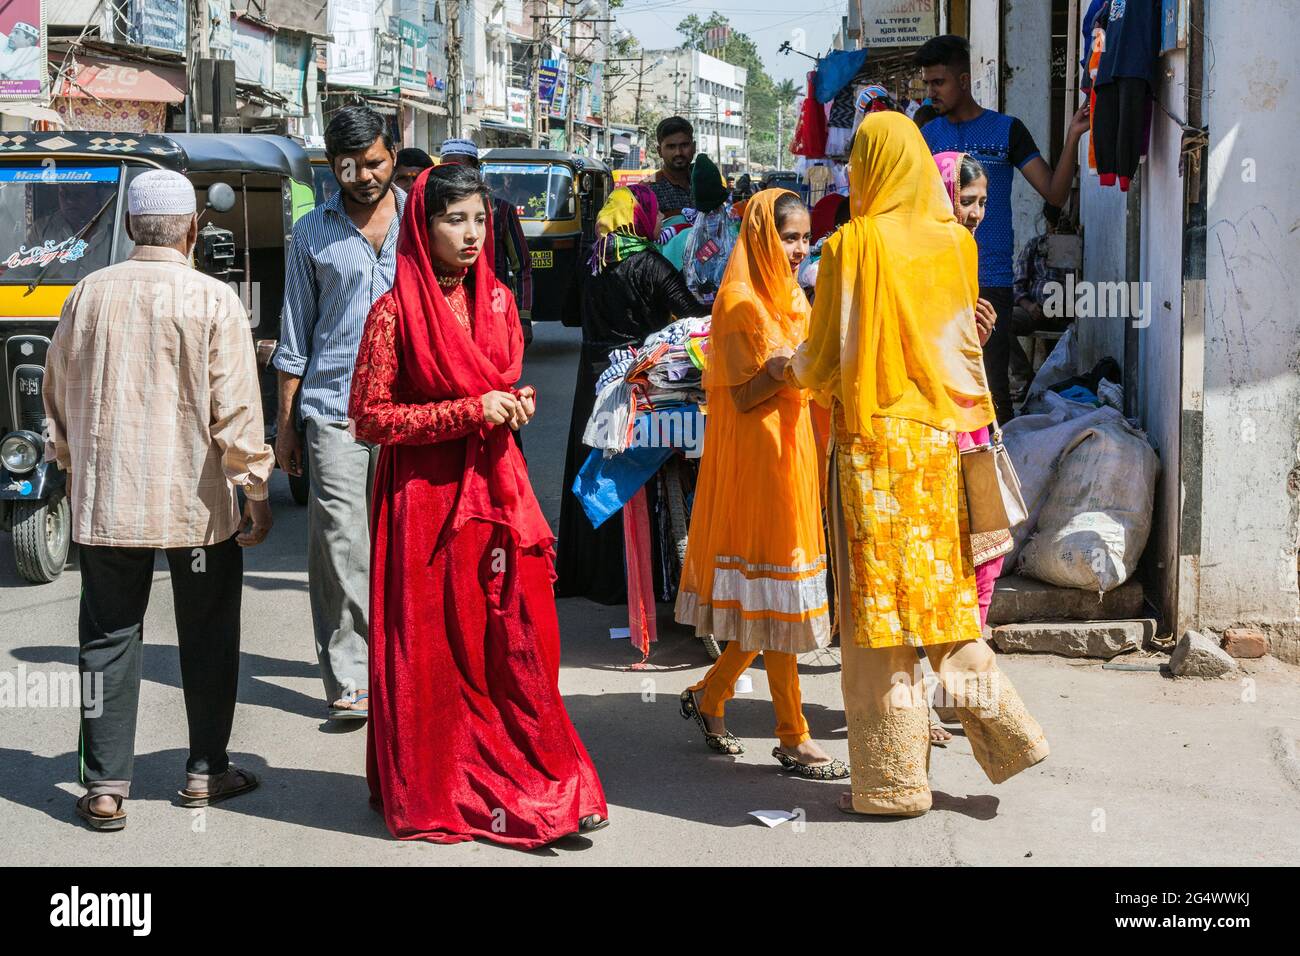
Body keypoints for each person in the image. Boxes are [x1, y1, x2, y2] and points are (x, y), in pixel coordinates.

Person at [788, 112, 1049, 817]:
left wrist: (795, 371)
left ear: (869, 170)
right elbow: (960, 348)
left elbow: (822, 355)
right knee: (940, 600)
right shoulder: (957, 248)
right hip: (937, 448)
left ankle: (892, 784)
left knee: (878, 620)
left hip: (871, 450)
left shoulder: (850, 247)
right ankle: (1010, 732)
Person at [350, 163, 608, 847]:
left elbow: (498, 381)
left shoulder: (495, 298)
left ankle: (546, 781)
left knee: (517, 633)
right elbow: (371, 418)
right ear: (422, 226)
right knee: (436, 647)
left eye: (478, 219)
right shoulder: (394, 311)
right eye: (453, 219)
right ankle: (441, 785)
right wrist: (467, 411)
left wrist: (513, 402)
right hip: (426, 504)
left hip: (497, 488)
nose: (470, 234)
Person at [43, 170, 274, 831]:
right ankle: (206, 770)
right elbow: (235, 413)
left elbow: (56, 394)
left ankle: (105, 789)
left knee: (108, 637)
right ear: (193, 229)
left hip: (109, 503)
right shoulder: (213, 300)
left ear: (126, 228)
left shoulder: (87, 294)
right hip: (195, 512)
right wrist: (255, 490)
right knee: (206, 633)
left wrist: (69, 462)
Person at [675, 189, 845, 779]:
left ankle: (711, 695)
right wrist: (781, 370)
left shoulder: (789, 292)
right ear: (761, 237)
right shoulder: (740, 303)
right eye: (787, 238)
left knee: (773, 597)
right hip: (758, 460)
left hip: (793, 451)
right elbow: (742, 395)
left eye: (803, 238)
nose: (798, 249)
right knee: (778, 595)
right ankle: (793, 735)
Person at [272, 106, 402, 720]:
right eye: (349, 166)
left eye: (374, 162)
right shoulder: (309, 233)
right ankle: (351, 675)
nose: (363, 176)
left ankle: (401, 662)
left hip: (414, 410)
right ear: (331, 165)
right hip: (333, 408)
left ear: (394, 156)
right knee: (340, 541)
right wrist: (286, 427)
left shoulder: (422, 222)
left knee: (405, 542)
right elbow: (295, 335)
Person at [915, 34, 1090, 423]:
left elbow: (1055, 193)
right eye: (927, 83)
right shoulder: (927, 137)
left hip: (991, 280)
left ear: (963, 81)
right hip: (938, 282)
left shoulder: (1007, 131)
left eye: (938, 82)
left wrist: (1073, 137)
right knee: (942, 390)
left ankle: (1001, 480)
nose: (930, 93)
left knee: (994, 394)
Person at [555, 184, 709, 603]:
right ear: (640, 218)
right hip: (635, 375)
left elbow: (568, 315)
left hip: (593, 376)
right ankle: (633, 580)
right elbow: (695, 314)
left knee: (592, 464)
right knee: (635, 470)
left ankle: (588, 575)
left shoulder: (591, 261)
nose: (656, 221)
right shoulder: (649, 264)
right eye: (652, 214)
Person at [437, 138, 534, 346]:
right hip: (443, 309)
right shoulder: (430, 211)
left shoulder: (501, 210)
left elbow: (522, 267)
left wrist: (523, 317)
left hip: (492, 307)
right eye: (447, 169)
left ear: (475, 170)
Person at [647, 116, 696, 217]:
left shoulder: (704, 182)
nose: (678, 152)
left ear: (694, 147)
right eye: (671, 147)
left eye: (684, 145)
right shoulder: (648, 189)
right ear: (659, 151)